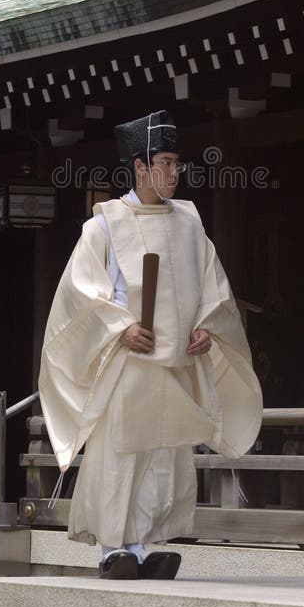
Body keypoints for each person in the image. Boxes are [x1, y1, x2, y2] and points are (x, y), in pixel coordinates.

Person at [40, 110, 262, 580]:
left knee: (166, 452)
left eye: (177, 163)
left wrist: (207, 327)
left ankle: (145, 542)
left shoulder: (189, 223)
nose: (173, 172)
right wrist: (119, 327)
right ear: (140, 168)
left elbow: (212, 288)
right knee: (122, 450)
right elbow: (81, 292)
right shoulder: (104, 224)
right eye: (164, 163)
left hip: (176, 358)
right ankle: (111, 546)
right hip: (130, 357)